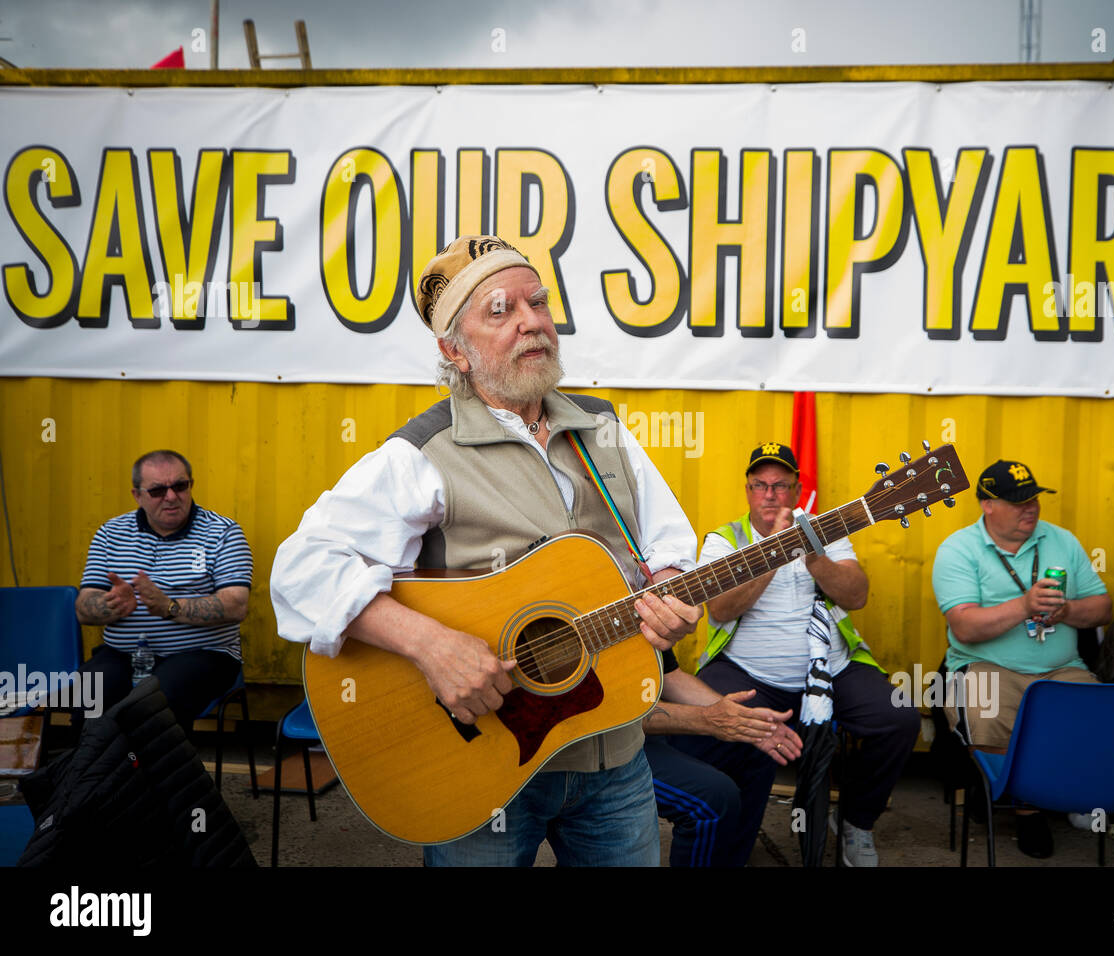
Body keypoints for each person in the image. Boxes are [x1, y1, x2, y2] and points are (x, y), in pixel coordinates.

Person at [270, 235, 701, 867]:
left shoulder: (603, 429)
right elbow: (301, 568)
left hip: (613, 753)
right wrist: (430, 644)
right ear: (455, 351)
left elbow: (669, 547)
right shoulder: (424, 451)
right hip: (481, 758)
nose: (531, 322)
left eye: (537, 302)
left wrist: (670, 589)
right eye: (499, 310)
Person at [671, 442, 918, 867]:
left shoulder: (826, 529)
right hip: (749, 670)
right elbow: (722, 608)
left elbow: (856, 595)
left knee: (898, 718)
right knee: (714, 729)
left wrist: (810, 554)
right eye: (760, 485)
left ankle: (856, 822)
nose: (769, 495)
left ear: (797, 489)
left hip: (830, 668)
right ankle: (726, 832)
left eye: (780, 485)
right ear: (747, 490)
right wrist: (773, 553)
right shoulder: (724, 539)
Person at [931, 459, 1111, 858]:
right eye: (1017, 501)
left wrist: (1067, 612)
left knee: (1105, 718)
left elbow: (1103, 609)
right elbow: (965, 627)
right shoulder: (958, 549)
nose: (1030, 507)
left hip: (1061, 668)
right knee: (987, 712)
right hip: (985, 667)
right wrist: (1026, 604)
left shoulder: (1062, 540)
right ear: (986, 505)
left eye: (1034, 498)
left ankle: (1043, 794)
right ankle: (1026, 808)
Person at [73, 449, 250, 731]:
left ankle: (151, 774)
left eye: (180, 486)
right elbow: (84, 606)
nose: (171, 497)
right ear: (137, 495)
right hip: (123, 653)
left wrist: (170, 607)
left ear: (191, 485)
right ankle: (93, 774)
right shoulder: (110, 533)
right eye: (157, 491)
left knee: (153, 702)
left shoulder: (223, 532)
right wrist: (110, 605)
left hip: (202, 654)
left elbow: (236, 605)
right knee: (87, 694)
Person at [642, 647, 803, 866]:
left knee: (754, 739)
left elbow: (671, 677)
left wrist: (742, 718)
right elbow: (622, 716)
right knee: (712, 801)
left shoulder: (631, 615)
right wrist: (708, 719)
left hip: (641, 736)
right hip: (601, 748)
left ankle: (731, 860)